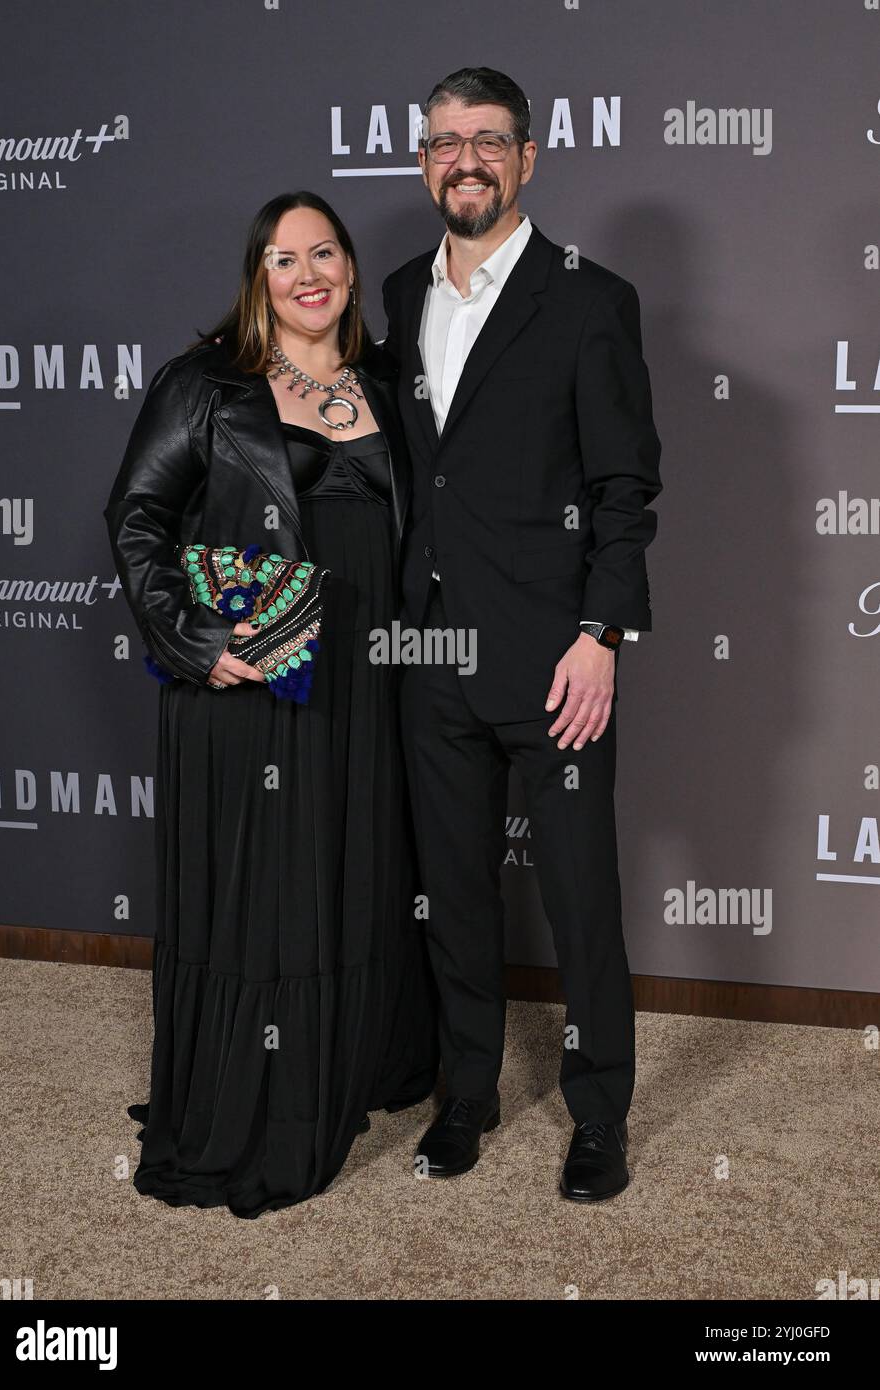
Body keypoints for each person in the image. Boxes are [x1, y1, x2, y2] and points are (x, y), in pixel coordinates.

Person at [103, 191, 438, 1219]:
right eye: (282, 259)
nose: (306, 275)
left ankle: (348, 1061)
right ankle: (256, 1105)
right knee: (268, 888)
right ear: (257, 277)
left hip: (367, 672)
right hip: (253, 676)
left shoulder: (391, 380)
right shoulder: (206, 381)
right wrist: (196, 642)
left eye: (322, 252)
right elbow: (137, 515)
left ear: (349, 267)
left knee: (355, 869)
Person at [382, 68, 662, 1200]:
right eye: (445, 142)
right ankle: (467, 1093)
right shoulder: (397, 293)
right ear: (423, 162)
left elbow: (623, 488)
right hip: (428, 651)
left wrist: (601, 634)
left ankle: (599, 1113)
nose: (466, 160)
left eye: (488, 140)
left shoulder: (590, 299)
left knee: (580, 895)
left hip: (556, 657)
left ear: (527, 158)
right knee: (452, 891)